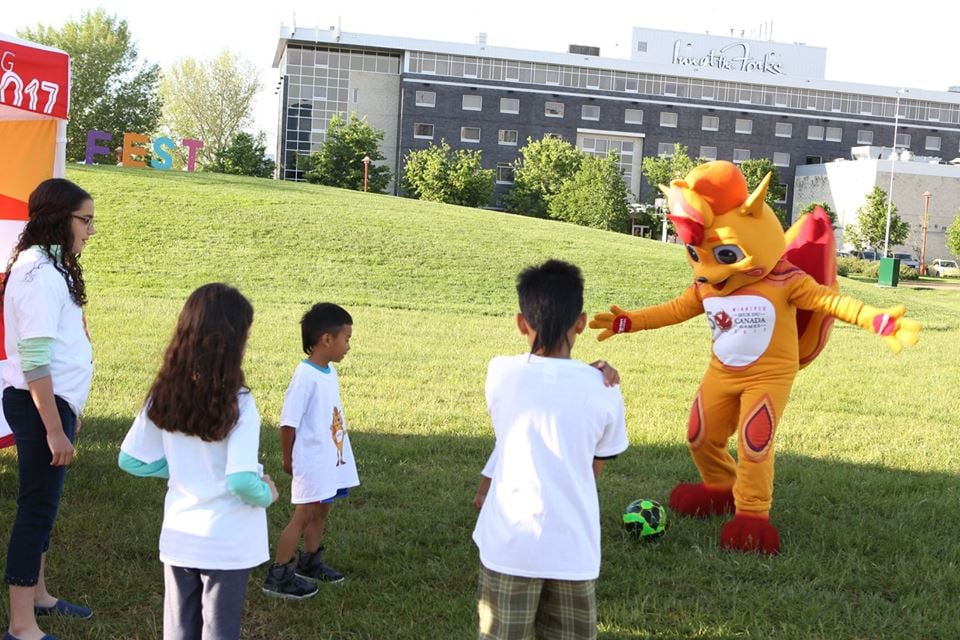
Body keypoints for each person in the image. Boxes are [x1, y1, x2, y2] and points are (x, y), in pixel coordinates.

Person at [472, 259, 629, 640]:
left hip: (509, 545)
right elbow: (595, 465)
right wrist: (593, 374)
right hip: (574, 550)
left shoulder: (500, 372)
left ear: (521, 323)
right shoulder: (605, 388)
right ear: (582, 322)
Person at [118, 283, 277, 640]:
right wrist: (267, 493)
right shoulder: (240, 403)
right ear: (234, 342)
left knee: (178, 630)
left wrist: (181, 471)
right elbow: (240, 480)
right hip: (226, 541)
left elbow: (131, 459)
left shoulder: (163, 394)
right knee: (220, 631)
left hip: (179, 537)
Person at [2, 178, 97, 640]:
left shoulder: (51, 265)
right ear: (61, 219)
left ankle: (38, 594)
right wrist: (54, 429)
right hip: (41, 406)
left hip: (54, 404)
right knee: (35, 510)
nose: (90, 231)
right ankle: (21, 626)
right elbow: (35, 359)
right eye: (86, 220)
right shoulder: (38, 272)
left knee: (46, 504)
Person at [262, 302, 360, 599]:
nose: (348, 346)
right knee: (304, 513)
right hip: (311, 459)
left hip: (329, 458)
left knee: (321, 510)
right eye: (346, 339)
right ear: (326, 339)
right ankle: (278, 575)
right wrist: (287, 457)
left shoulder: (328, 372)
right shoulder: (304, 376)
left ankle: (310, 561)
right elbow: (288, 423)